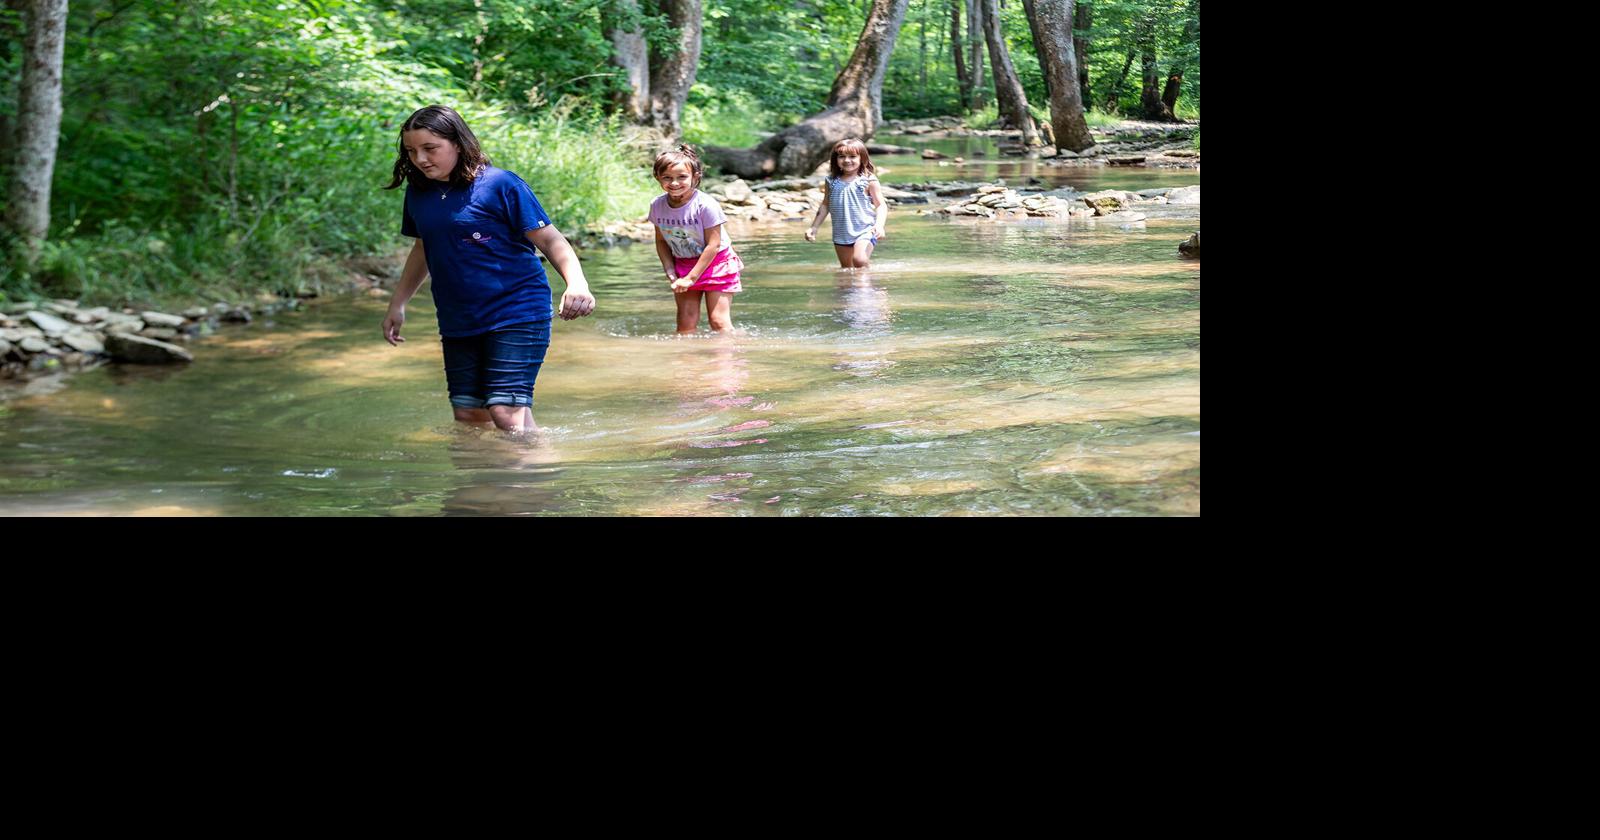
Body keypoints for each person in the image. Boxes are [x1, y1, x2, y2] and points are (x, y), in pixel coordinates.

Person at [380, 105, 594, 434]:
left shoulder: (501, 185)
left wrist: (576, 284)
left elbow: (551, 241)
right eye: (411, 151)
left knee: (507, 412)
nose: (420, 159)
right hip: (458, 317)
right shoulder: (419, 193)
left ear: (459, 143)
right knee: (469, 416)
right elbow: (423, 247)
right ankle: (486, 482)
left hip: (517, 309)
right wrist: (398, 303)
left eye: (430, 148)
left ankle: (536, 481)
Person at [649, 145, 745, 334]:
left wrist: (691, 278)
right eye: (667, 177)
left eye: (681, 177)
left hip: (717, 264)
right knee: (685, 325)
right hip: (683, 264)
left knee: (718, 322)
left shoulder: (705, 205)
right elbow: (661, 241)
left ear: (695, 176)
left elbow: (714, 244)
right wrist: (670, 271)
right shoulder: (657, 205)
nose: (674, 183)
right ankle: (688, 363)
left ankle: (727, 360)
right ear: (657, 177)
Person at [805, 138, 887, 268]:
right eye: (842, 156)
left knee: (859, 260)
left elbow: (881, 205)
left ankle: (869, 287)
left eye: (853, 156)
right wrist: (814, 227)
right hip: (841, 232)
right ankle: (849, 288)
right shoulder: (831, 180)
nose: (847, 160)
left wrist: (879, 225)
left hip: (864, 230)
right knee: (847, 269)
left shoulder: (868, 180)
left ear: (862, 158)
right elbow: (825, 205)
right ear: (835, 159)